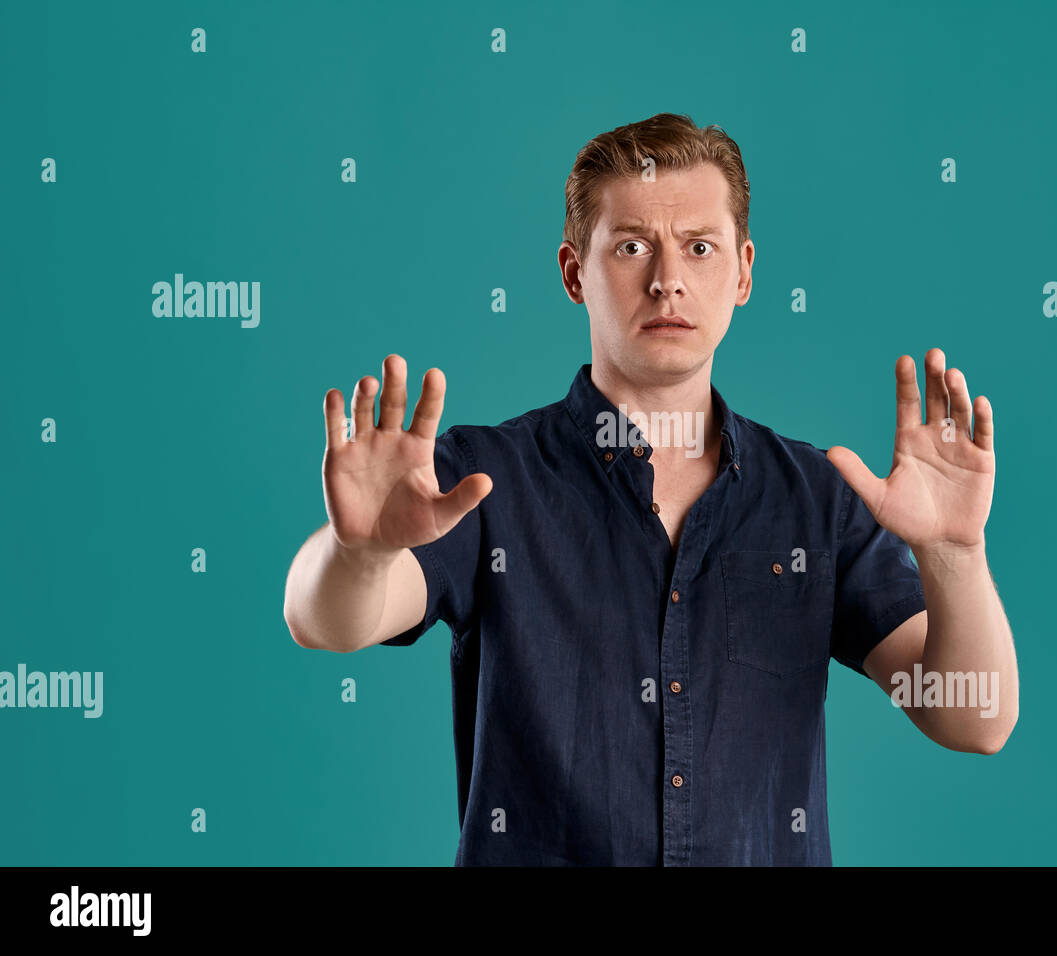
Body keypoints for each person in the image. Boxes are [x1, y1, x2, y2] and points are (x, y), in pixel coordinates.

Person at [282, 112, 1017, 865]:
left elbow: (976, 720)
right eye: (632, 246)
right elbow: (325, 620)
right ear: (574, 272)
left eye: (699, 247)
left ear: (742, 272)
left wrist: (955, 554)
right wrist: (359, 553)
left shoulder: (817, 502)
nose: (667, 278)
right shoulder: (482, 480)